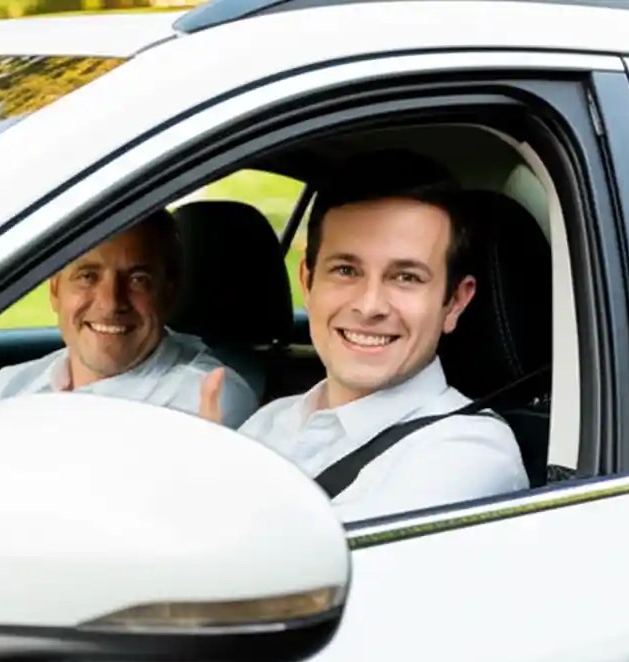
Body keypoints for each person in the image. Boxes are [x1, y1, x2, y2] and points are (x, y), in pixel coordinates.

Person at [201, 152, 526, 521]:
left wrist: (211, 499)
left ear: (453, 303)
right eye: (345, 270)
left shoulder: (471, 453)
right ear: (307, 282)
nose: (370, 306)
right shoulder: (270, 421)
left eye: (406, 277)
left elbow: (315, 568)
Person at [0, 209, 259, 431]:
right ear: (55, 289)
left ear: (169, 290)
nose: (110, 302)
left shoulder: (207, 399)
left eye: (138, 279)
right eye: (88, 276)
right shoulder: (10, 387)